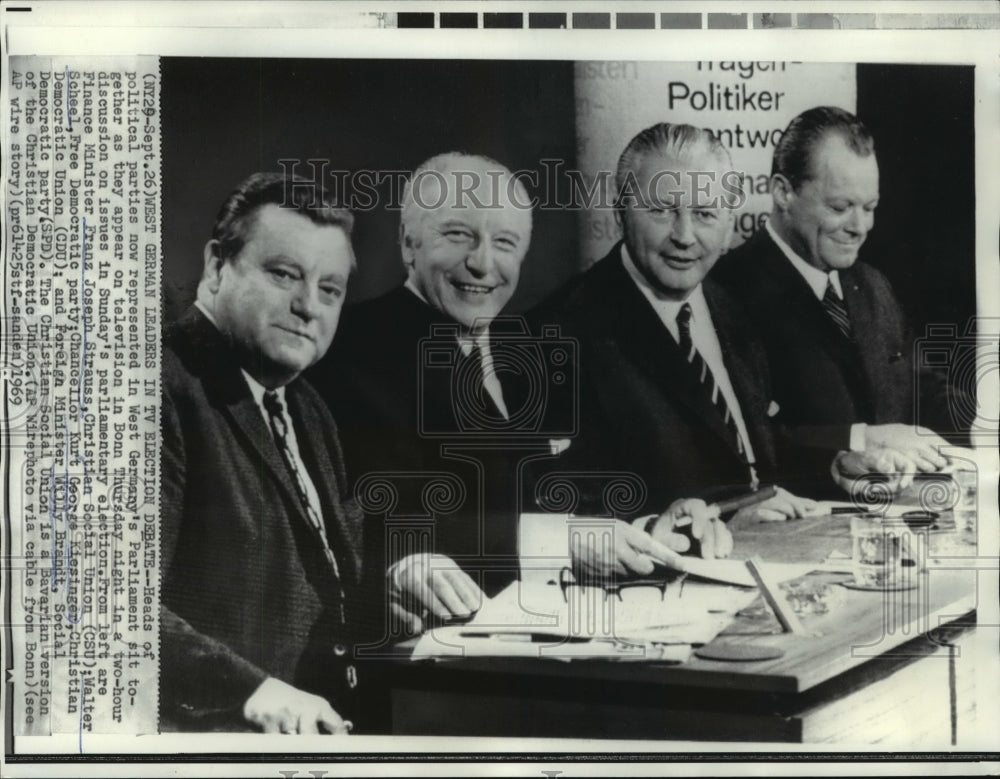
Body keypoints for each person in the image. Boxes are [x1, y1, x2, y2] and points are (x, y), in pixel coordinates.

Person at [312, 152, 705, 625]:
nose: (483, 264)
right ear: (408, 244)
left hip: (574, 621)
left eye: (505, 242)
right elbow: (390, 527)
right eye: (458, 235)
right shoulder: (353, 350)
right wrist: (561, 543)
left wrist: (648, 528)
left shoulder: (531, 344)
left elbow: (578, 492)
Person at [533, 122, 819, 575]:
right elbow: (562, 505)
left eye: (705, 214)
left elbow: (761, 446)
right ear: (621, 209)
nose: (685, 236)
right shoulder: (557, 334)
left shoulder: (736, 306)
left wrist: (844, 454)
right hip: (664, 590)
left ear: (729, 224)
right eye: (663, 211)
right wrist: (721, 520)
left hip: (778, 558)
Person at [161, 172, 375, 733]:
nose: (309, 306)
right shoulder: (154, 388)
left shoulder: (307, 409)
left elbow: (308, 583)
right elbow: (105, 610)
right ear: (215, 267)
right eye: (284, 275)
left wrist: (387, 587)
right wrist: (253, 692)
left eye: (330, 289)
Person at [714, 107, 962, 484]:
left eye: (870, 208)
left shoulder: (872, 285)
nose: (860, 228)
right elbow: (744, 439)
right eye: (840, 207)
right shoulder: (725, 292)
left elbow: (923, 389)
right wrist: (858, 439)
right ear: (783, 191)